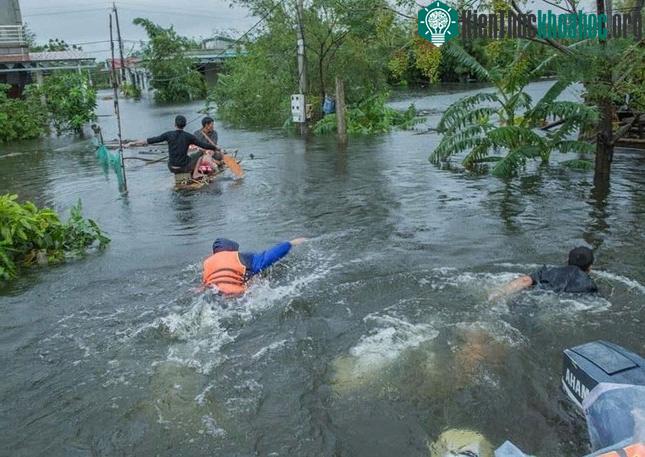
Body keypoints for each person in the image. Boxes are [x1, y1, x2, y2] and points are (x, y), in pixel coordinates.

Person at [202, 237, 307, 296]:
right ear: (233, 250)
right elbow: (269, 257)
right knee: (257, 281)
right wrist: (290, 243)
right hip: (237, 297)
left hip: (212, 294)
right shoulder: (242, 257)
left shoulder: (207, 263)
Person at [127, 115, 223, 178]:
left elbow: (149, 140)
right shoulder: (189, 136)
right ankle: (198, 173)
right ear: (185, 125)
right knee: (201, 153)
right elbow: (204, 145)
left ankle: (188, 174)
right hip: (184, 167)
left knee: (192, 155)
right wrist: (215, 148)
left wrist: (132, 143)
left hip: (171, 167)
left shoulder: (168, 135)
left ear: (175, 124)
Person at [489, 246, 598, 300]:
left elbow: (524, 280)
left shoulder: (548, 271)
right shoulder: (590, 285)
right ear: (590, 268)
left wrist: (499, 293)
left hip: (536, 296)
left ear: (566, 261)